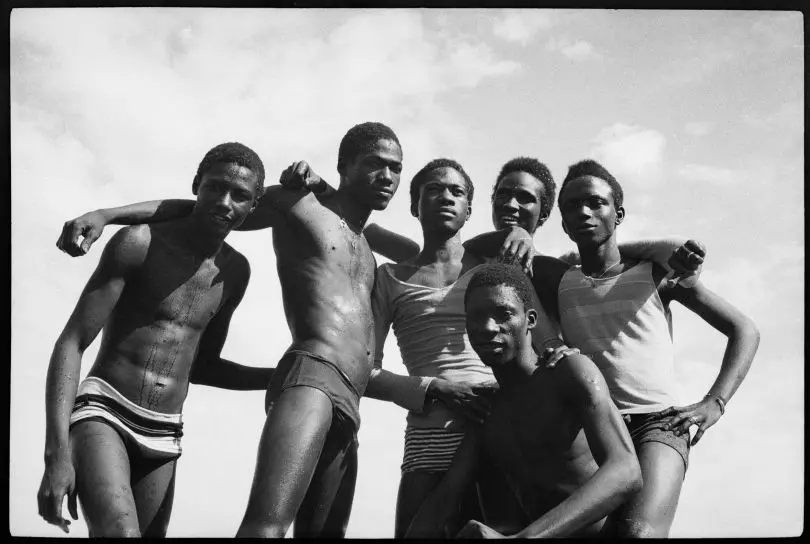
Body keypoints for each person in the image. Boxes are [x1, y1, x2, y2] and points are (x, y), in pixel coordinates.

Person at [53, 122, 405, 538]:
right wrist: (107, 215)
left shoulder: (360, 243)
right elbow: (200, 208)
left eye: (395, 168)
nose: (387, 176)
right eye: (374, 165)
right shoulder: (299, 204)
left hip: (335, 399)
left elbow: (418, 252)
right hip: (303, 376)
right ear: (346, 166)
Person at [280, 157, 572, 537]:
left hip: (500, 427)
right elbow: (361, 370)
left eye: (457, 192)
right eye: (432, 190)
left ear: (470, 210)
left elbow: (547, 345)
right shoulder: (390, 277)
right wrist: (432, 388)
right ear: (414, 205)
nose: (445, 197)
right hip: (428, 436)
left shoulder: (496, 271)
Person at [37, 142, 275, 537]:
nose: (225, 201)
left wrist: (282, 374)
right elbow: (72, 342)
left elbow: (204, 366)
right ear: (196, 185)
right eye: (215, 187)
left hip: (165, 433)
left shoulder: (235, 272)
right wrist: (56, 453)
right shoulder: (138, 242)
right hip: (105, 411)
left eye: (240, 196)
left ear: (253, 206)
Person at [545, 159, 760, 537]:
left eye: (596, 203)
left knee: (638, 533)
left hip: (658, 424)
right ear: (563, 224)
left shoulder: (656, 274)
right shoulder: (562, 281)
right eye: (572, 207)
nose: (584, 212)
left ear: (619, 213)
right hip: (593, 428)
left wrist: (716, 401)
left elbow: (744, 329)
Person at [406, 263, 643, 538]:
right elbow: (444, 500)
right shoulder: (488, 409)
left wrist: (526, 538)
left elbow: (626, 471)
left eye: (504, 314)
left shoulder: (568, 372)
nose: (487, 327)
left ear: (530, 320)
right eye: (476, 316)